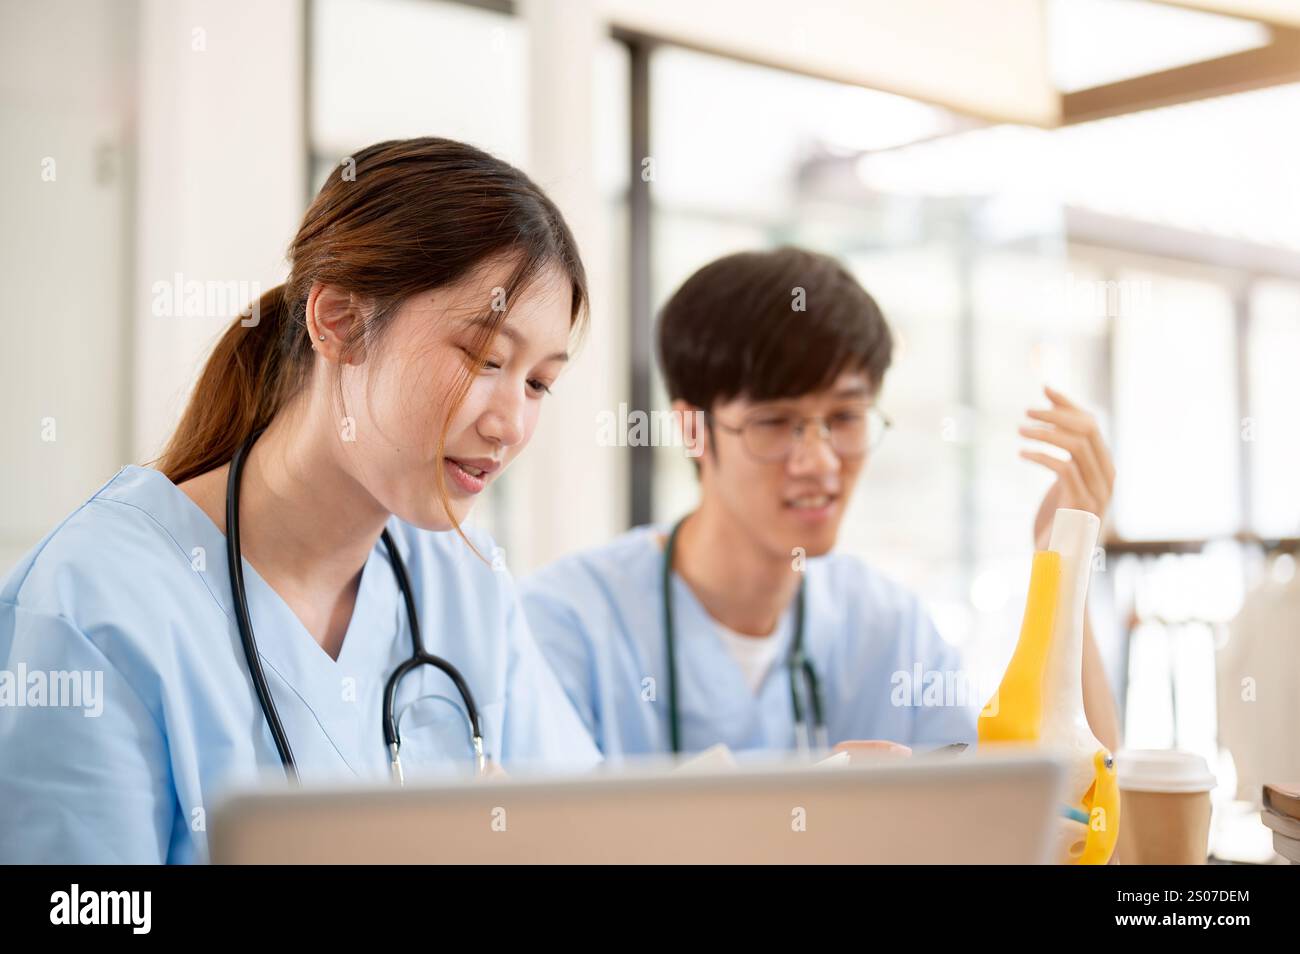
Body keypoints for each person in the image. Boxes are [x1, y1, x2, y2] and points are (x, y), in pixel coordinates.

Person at [0, 138, 600, 864]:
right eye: (484, 359)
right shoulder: (95, 606)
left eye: (539, 383)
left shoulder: (466, 588)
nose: (509, 425)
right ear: (340, 321)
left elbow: (586, 837)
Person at [521, 246, 1120, 761]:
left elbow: (1058, 823)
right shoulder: (569, 624)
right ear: (693, 430)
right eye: (777, 422)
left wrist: (1062, 568)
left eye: (844, 418)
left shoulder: (889, 631)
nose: (820, 462)